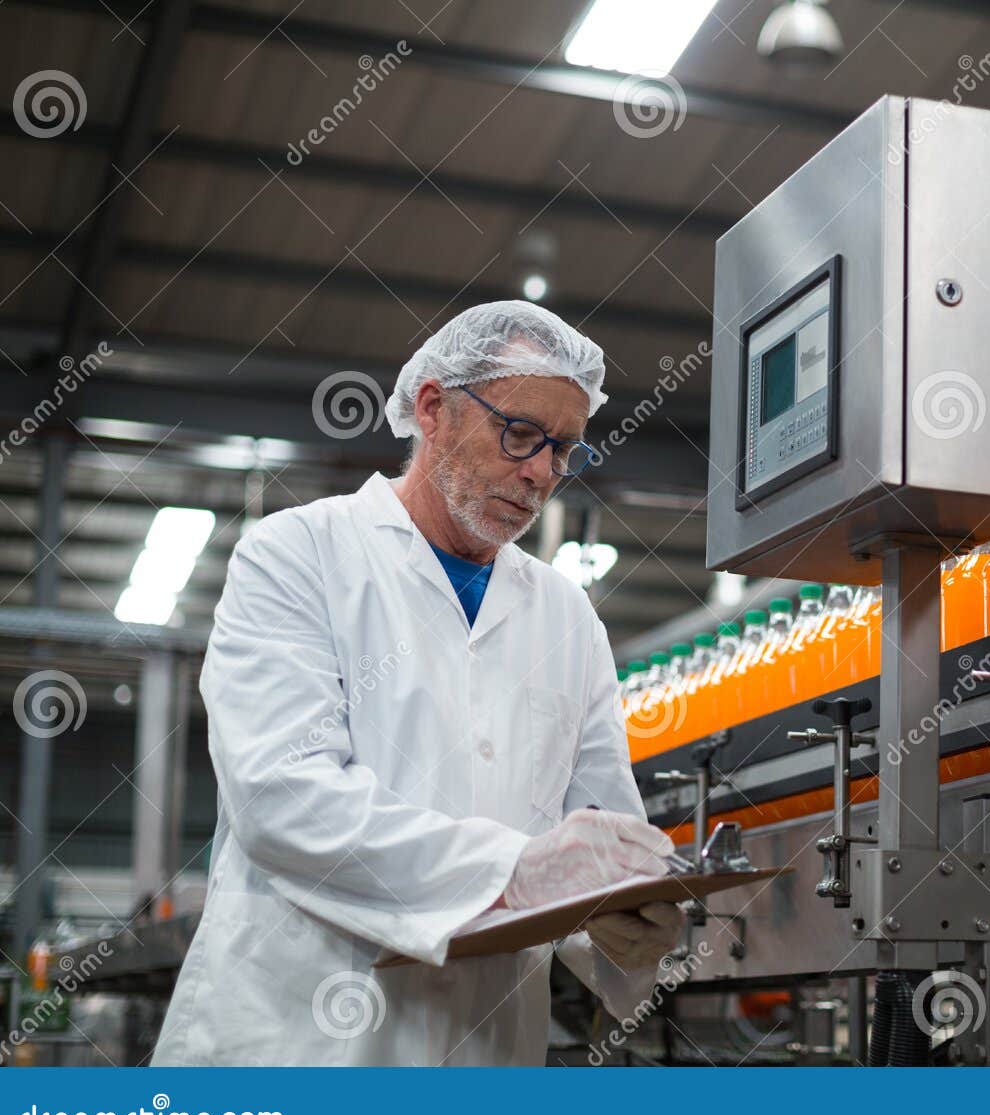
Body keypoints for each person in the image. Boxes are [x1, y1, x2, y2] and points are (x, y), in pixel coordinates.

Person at [153, 302, 685, 1065]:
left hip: (483, 1052)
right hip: (301, 1049)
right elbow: (283, 798)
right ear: (433, 408)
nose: (541, 471)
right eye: (520, 433)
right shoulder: (298, 555)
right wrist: (514, 872)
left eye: (563, 449)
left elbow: (598, 830)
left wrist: (624, 919)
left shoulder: (568, 617)